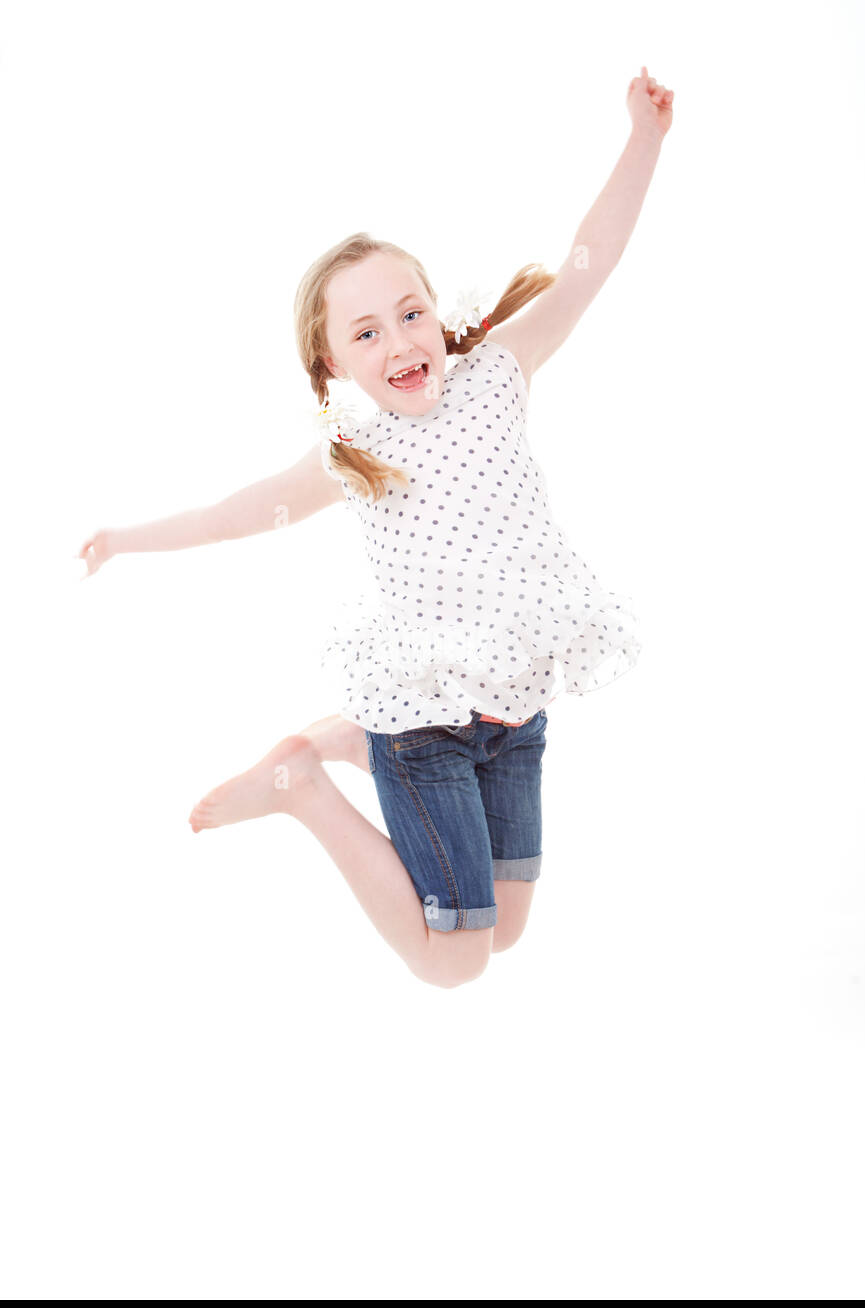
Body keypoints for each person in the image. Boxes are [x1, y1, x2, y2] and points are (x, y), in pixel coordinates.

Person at [78, 67, 674, 989]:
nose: (398, 343)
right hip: (426, 725)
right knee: (454, 964)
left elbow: (590, 260)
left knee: (505, 932)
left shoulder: (499, 375)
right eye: (365, 334)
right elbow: (226, 517)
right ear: (330, 363)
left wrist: (644, 137)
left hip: (513, 714)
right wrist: (122, 538)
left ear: (438, 314)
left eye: (409, 314)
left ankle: (344, 741)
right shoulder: (351, 455)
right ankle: (304, 785)